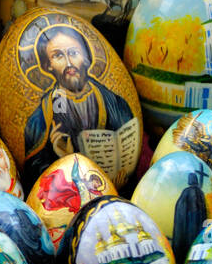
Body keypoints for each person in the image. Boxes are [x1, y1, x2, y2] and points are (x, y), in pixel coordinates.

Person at [23, 25, 135, 180]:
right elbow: (34, 170)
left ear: (86, 57)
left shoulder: (113, 102)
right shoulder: (44, 115)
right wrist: (63, 158)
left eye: (74, 53)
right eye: (58, 56)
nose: (69, 63)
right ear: (48, 65)